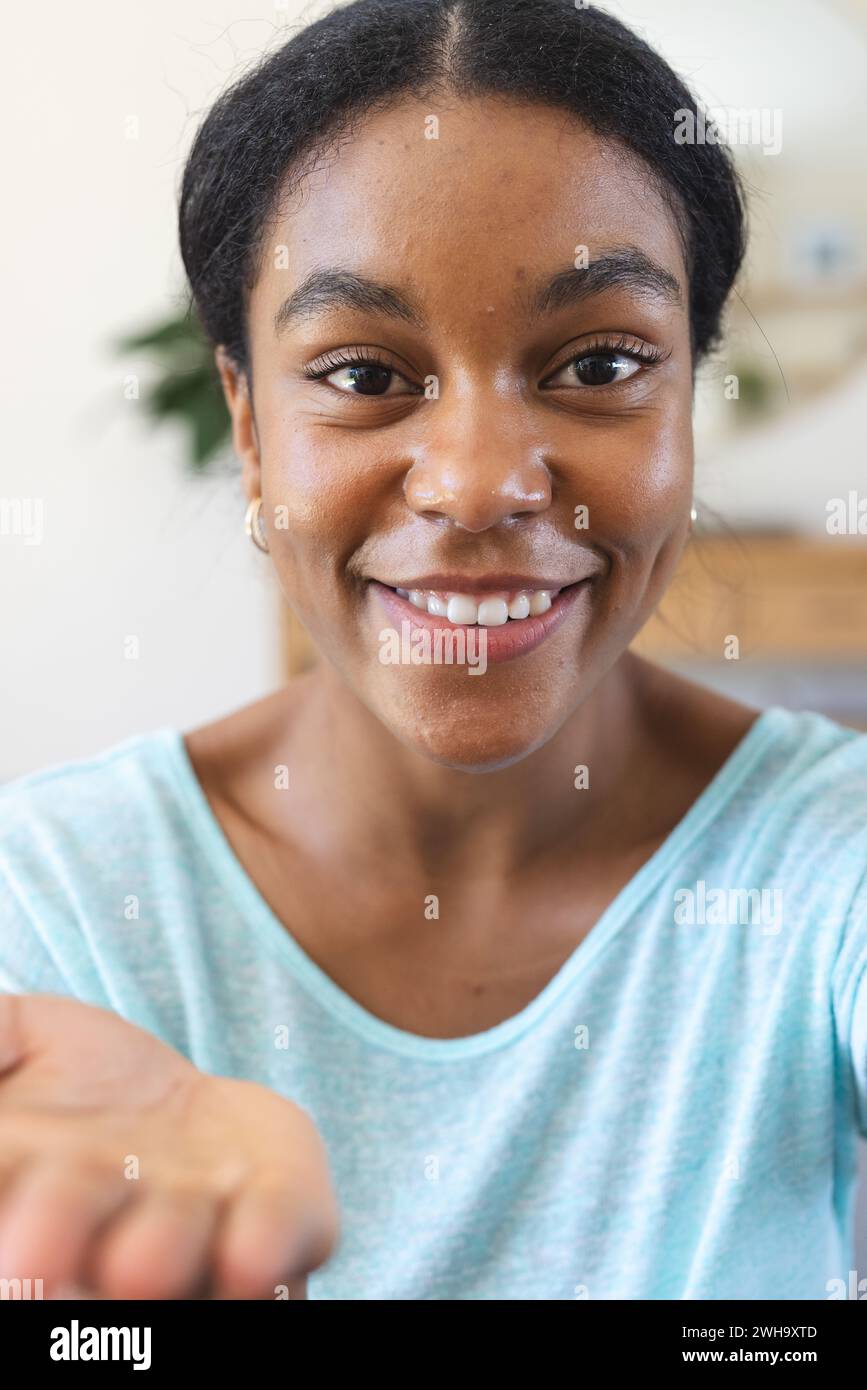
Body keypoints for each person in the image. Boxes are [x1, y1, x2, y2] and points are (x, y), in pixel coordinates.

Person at [1, 0, 865, 1301]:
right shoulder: (53, 903)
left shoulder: (825, 862)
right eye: (361, 375)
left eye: (600, 361)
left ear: (691, 394)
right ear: (247, 421)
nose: (476, 485)